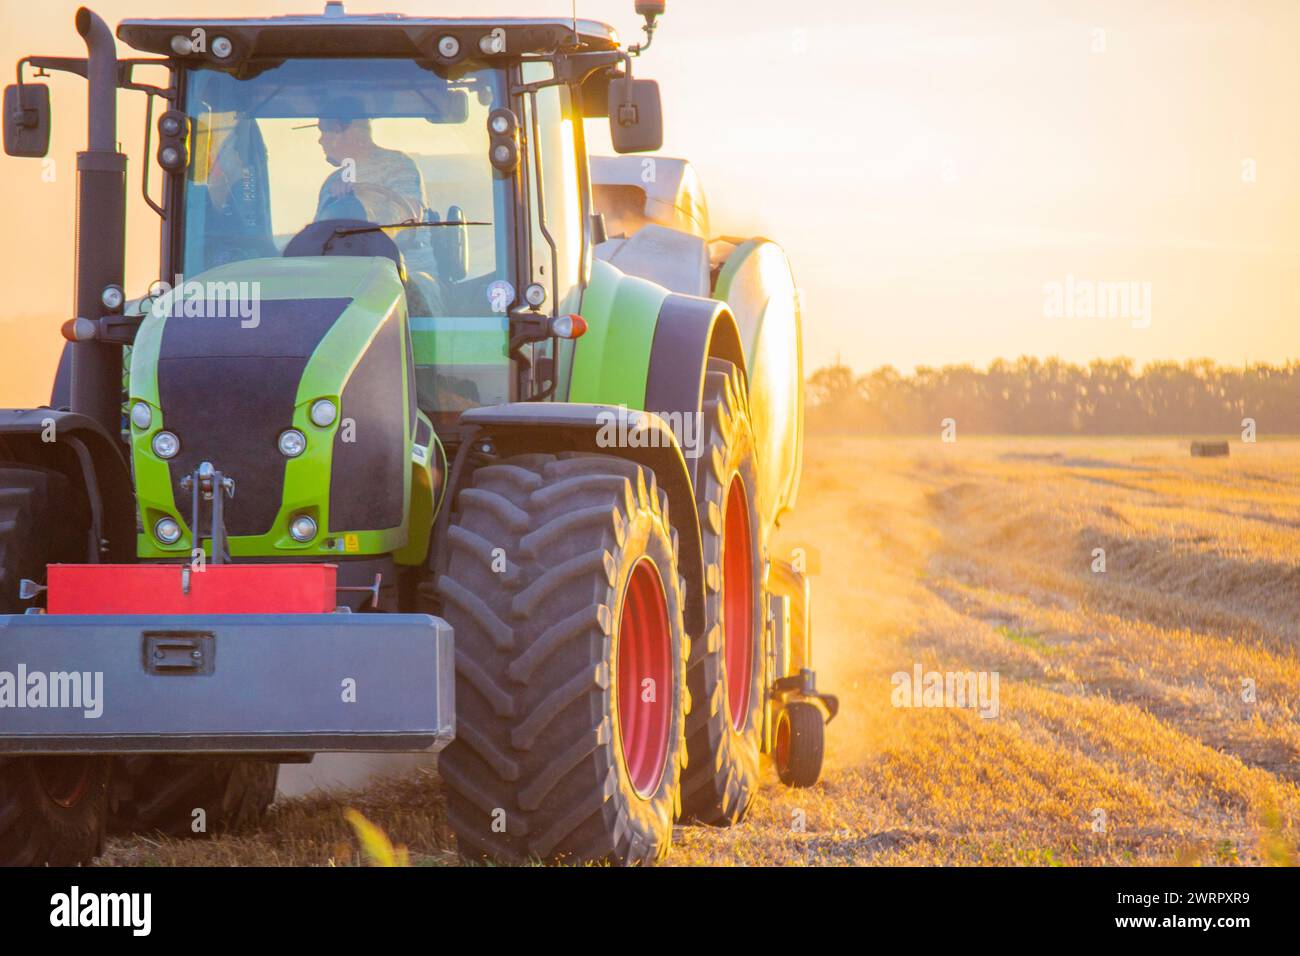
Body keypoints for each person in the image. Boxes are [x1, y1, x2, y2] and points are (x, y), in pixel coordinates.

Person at [308, 98, 426, 224]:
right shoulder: (332, 182)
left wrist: (355, 200)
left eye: (324, 131)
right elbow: (318, 234)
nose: (320, 141)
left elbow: (407, 220)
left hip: (400, 244)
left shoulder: (396, 164)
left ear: (348, 132)